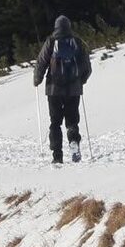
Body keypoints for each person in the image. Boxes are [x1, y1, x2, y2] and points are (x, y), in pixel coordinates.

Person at [34, 15, 93, 164]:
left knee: (55, 122)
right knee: (72, 121)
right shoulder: (77, 42)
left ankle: (57, 156)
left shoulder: (51, 41)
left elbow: (41, 62)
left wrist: (37, 79)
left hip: (53, 89)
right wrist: (81, 81)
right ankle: (73, 143)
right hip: (74, 89)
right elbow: (86, 66)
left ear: (56, 27)